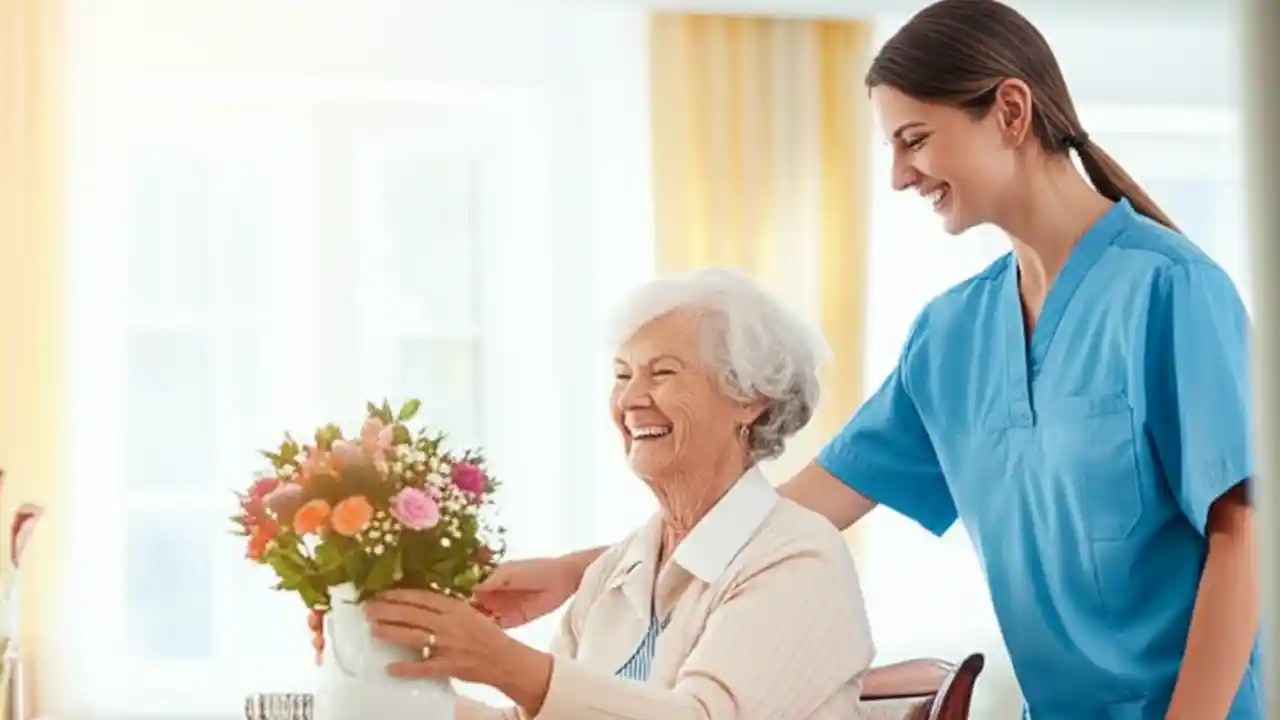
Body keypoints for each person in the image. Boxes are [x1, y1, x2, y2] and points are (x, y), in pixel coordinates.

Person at [471, 2, 1261, 718]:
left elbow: (1244, 532)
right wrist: (582, 573)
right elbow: (782, 516)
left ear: (1010, 111)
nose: (898, 175)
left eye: (915, 140)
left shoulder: (1172, 291)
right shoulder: (953, 337)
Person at [358, 269, 880, 719]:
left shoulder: (800, 558)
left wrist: (502, 661)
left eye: (663, 373)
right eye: (623, 375)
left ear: (750, 400)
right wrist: (386, 662)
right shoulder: (619, 568)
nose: (629, 399)